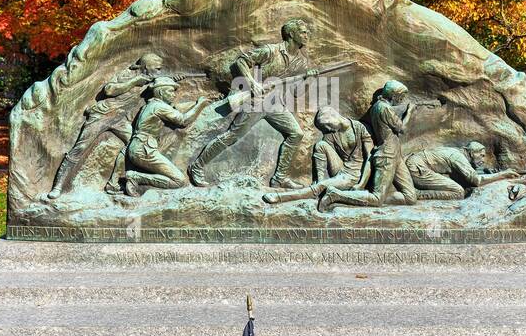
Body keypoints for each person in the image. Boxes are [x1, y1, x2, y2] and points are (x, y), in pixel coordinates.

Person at [189, 18, 318, 188]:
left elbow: (296, 93)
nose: (307, 35)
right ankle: (197, 167)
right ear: (291, 34)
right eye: (303, 32)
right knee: (232, 136)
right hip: (256, 101)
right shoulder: (270, 51)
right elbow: (241, 61)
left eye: (307, 32)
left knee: (296, 134)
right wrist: (252, 83)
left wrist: (309, 79)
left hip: (275, 103)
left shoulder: (301, 62)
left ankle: (279, 178)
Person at [43, 53, 164, 199]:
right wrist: (134, 81)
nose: (159, 71)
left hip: (120, 119)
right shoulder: (128, 74)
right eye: (157, 68)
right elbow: (109, 90)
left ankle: (115, 183)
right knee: (79, 148)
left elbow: (165, 82)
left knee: (134, 145)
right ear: (146, 66)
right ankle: (57, 186)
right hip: (102, 115)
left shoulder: (151, 79)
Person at [319, 80, 420, 210]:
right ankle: (336, 195)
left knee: (410, 197)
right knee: (377, 198)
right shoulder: (384, 108)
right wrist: (410, 111)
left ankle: (358, 197)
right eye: (401, 97)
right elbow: (403, 129)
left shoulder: (379, 106)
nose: (401, 100)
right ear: (393, 96)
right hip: (387, 156)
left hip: (396, 155)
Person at [263, 107, 372, 206]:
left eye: (328, 124)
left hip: (355, 175)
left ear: (335, 116)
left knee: (320, 186)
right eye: (325, 127)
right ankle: (320, 184)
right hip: (341, 169)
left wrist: (361, 184)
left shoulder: (360, 128)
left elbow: (370, 158)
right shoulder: (332, 133)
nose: (328, 128)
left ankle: (280, 197)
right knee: (321, 145)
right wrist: (320, 178)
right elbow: (321, 150)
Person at [122, 78, 212, 196]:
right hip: (144, 150)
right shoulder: (159, 106)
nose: (174, 95)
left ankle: (136, 177)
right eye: (170, 91)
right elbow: (183, 120)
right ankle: (136, 177)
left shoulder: (151, 105)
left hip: (140, 147)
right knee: (179, 181)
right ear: (160, 92)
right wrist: (200, 105)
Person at [406, 141, 518, 199]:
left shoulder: (457, 153)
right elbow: (476, 181)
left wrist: (490, 173)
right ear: (472, 153)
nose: (483, 160)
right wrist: (503, 174)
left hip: (416, 164)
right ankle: (418, 195)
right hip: (417, 168)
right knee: (458, 192)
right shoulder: (458, 157)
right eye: (482, 155)